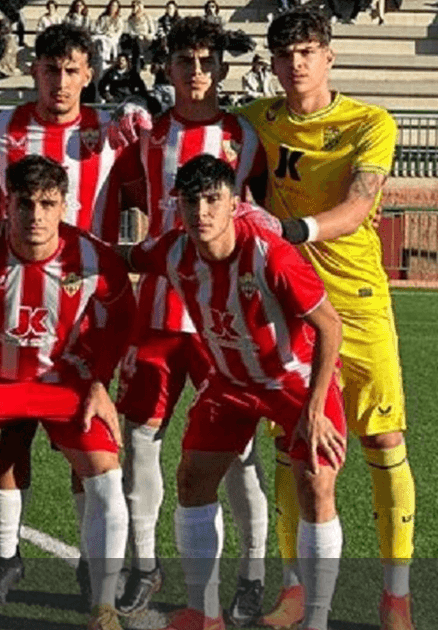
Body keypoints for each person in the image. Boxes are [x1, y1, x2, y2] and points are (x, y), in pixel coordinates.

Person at [239, 8, 413, 630]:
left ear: (329, 57)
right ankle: (294, 591)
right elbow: (196, 134)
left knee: (383, 439)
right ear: (272, 62)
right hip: (288, 305)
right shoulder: (255, 120)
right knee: (295, 445)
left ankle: (396, 599)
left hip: (358, 301)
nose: (297, 65)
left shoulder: (370, 123)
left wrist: (291, 230)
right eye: (286, 55)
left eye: (308, 52)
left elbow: (360, 203)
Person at [0, 155, 137, 630]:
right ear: (6, 205)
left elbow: (122, 312)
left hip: (64, 380)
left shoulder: (91, 257)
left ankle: (104, 608)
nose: (35, 215)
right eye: (25, 203)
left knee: (106, 474)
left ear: (63, 207)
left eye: (47, 204)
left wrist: (100, 381)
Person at [128, 154, 347, 630]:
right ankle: (204, 613)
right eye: (191, 202)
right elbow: (123, 258)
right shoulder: (174, 251)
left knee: (315, 484)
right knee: (192, 481)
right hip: (230, 382)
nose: (201, 212)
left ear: (233, 204)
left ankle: (317, 620)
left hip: (294, 381)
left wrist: (315, 408)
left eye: (213, 200)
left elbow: (330, 326)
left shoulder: (270, 254)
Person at [105, 16, 272, 624]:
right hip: (157, 315)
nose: (196, 72)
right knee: (140, 442)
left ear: (222, 67)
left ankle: (252, 574)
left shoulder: (245, 136)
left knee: (241, 451)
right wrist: (116, 115)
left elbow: (264, 218)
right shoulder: (147, 135)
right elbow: (115, 193)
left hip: (223, 323)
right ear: (167, 68)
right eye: (184, 61)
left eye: (206, 61)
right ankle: (144, 565)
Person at [0, 23, 130, 611]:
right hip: (14, 299)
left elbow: (143, 193)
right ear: (33, 70)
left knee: (87, 435)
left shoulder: (110, 131)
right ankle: (5, 557)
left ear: (89, 75)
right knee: (12, 435)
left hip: (86, 310)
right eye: (50, 69)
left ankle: (90, 560)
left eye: (72, 70)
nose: (60, 81)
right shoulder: (3, 127)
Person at [93, 0, 124, 68]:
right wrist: (103, 33)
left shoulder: (118, 19)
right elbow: (98, 28)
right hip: (103, 35)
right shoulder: (103, 17)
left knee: (108, 42)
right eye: (112, 5)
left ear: (117, 8)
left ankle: (108, 60)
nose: (113, 8)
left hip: (113, 37)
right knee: (94, 39)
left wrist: (113, 35)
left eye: (115, 6)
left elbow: (119, 31)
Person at [125, 0, 155, 70]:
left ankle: (142, 60)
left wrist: (148, 35)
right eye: (134, 6)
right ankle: (141, 62)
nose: (136, 8)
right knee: (137, 42)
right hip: (136, 39)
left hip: (146, 39)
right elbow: (131, 32)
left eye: (138, 6)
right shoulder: (131, 18)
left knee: (139, 45)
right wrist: (139, 35)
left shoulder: (147, 17)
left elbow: (152, 30)